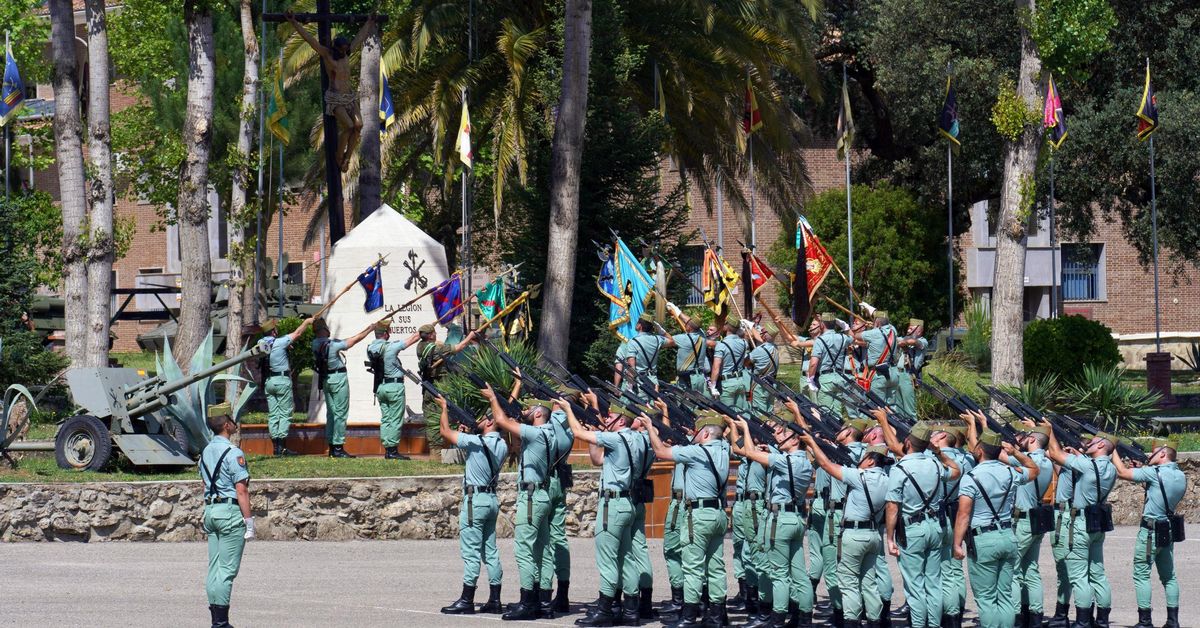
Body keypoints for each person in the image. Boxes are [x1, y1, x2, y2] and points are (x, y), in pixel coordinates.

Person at [562, 399, 646, 626]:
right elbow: (598, 459)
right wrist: (595, 432)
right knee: (626, 558)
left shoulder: (617, 438)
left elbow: (577, 432)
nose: (607, 419)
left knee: (607, 558)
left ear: (621, 420)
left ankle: (605, 609)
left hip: (613, 505)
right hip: (627, 502)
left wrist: (569, 409)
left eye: (611, 417)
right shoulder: (637, 438)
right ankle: (630, 612)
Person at [644, 411, 731, 627]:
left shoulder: (697, 452)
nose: (694, 434)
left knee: (692, 566)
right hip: (717, 512)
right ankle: (717, 616)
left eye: (697, 432)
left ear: (706, 434)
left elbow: (660, 451)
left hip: (698, 514)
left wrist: (649, 427)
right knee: (715, 566)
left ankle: (689, 617)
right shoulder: (724, 449)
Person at [732, 403, 815, 628]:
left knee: (779, 574)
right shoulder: (805, 463)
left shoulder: (786, 461)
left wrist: (746, 430)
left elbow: (749, 452)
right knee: (799, 573)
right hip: (796, 518)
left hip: (780, 520)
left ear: (795, 440)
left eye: (785, 436)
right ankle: (804, 619)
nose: (780, 439)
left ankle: (776, 620)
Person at [802, 432, 892, 628]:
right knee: (869, 582)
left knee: (849, 582)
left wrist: (812, 444)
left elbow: (826, 465)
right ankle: (875, 622)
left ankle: (851, 621)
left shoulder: (860, 477)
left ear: (870, 461)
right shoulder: (887, 480)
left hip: (854, 535)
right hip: (873, 534)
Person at [952, 430, 1040, 628]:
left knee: (986, 598)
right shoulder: (1010, 472)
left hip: (983, 538)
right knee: (1005, 595)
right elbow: (1034, 470)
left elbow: (963, 514)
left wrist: (957, 543)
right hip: (1008, 535)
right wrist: (1016, 454)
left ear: (981, 450)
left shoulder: (971, 477)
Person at [878, 418, 960, 628]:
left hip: (912, 529)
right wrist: (939, 452)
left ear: (908, 441)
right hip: (935, 526)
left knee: (915, 585)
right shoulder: (934, 463)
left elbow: (892, 507)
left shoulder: (900, 468)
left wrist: (889, 538)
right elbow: (956, 471)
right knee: (934, 582)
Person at [482, 387, 556, 621]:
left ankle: (527, 602)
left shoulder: (535, 433)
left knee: (524, 549)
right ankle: (543, 601)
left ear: (538, 414)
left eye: (528, 409)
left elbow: (501, 420)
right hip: (543, 494)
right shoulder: (550, 432)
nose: (524, 411)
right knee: (543, 550)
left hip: (532, 497)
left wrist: (493, 398)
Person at [437, 395, 509, 616]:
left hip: (474, 501)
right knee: (491, 550)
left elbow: (445, 433)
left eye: (483, 418)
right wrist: (468, 433)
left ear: (489, 422)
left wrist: (444, 409)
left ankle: (467, 599)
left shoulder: (476, 442)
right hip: (491, 500)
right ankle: (495, 599)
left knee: (470, 551)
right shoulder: (502, 444)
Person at [1045, 427, 1117, 628]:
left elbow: (1055, 454)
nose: (1089, 444)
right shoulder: (1111, 468)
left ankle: (1083, 621)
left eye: (1093, 442)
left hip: (1080, 523)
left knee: (1078, 576)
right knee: (1098, 573)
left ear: (1101, 444)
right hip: (1097, 523)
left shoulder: (1086, 466)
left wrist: (1050, 431)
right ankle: (1102, 621)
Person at [285, 12, 375, 171]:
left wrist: (369, 22)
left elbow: (359, 38)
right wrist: (294, 22)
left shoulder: (346, 54)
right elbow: (309, 39)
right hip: (335, 98)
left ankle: (347, 157)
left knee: (359, 125)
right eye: (342, 49)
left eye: (346, 48)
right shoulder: (327, 55)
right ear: (336, 48)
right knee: (348, 127)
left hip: (349, 97)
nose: (345, 51)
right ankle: (338, 156)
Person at [1113, 438, 1186, 628]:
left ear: (1162, 453)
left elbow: (1121, 472)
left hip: (1151, 530)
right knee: (1169, 576)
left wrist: (1112, 447)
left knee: (1141, 573)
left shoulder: (1154, 473)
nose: (1149, 455)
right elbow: (1159, 491)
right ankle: (1173, 620)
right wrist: (1142, 472)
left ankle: (1145, 620)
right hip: (1167, 528)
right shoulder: (1179, 475)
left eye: (1153, 452)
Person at [809, 418, 869, 627]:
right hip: (858, 515)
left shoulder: (845, 453)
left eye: (842, 429)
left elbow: (822, 461)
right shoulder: (867, 454)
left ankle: (840, 612)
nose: (838, 431)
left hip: (838, 515)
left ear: (849, 432)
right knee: (863, 572)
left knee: (833, 566)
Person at [200, 403, 253, 628]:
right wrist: (248, 521)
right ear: (228, 425)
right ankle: (221, 623)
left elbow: (203, 482)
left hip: (211, 510)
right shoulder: (233, 452)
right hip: (230, 512)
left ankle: (216, 619)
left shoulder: (205, 451)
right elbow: (241, 489)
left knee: (214, 567)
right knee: (227, 570)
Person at [1003, 423, 1055, 628]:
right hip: (1036, 518)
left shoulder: (1026, 460)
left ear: (1032, 440)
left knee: (1013, 570)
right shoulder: (1048, 462)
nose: (1022, 439)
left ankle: (1015, 615)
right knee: (1031, 569)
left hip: (1022, 519)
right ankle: (1034, 615)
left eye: (1027, 437)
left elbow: (993, 454)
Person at [729, 408, 772, 619]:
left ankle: (758, 601)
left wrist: (739, 428)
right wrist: (732, 425)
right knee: (743, 550)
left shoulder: (764, 452)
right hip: (742, 505)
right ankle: (748, 595)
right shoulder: (749, 450)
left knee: (754, 552)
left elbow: (742, 450)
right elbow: (735, 447)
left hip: (755, 506)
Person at [311, 317, 373, 458]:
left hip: (326, 379)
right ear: (325, 330)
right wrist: (370, 329)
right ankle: (338, 447)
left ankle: (332, 447)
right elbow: (354, 340)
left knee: (331, 413)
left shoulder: (314, 343)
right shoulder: (332, 345)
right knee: (340, 413)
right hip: (338, 379)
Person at [935, 422, 975, 628]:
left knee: (945, 569)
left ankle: (949, 614)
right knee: (956, 568)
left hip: (942, 514)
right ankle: (958, 609)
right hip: (959, 510)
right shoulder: (967, 459)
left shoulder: (937, 459)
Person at [256, 316, 314, 456]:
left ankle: (275, 448)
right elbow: (298, 333)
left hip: (269, 382)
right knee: (285, 413)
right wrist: (306, 322)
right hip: (281, 380)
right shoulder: (280, 342)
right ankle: (282, 447)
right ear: (274, 331)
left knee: (274, 414)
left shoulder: (261, 344)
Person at [417, 323, 479, 446]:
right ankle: (441, 447)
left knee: (431, 417)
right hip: (440, 387)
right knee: (445, 415)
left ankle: (434, 447)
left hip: (428, 387)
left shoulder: (420, 346)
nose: (436, 334)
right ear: (430, 335)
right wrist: (470, 336)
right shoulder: (436, 349)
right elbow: (459, 347)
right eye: (434, 332)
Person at [375, 325, 421, 460]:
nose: (389, 333)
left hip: (381, 387)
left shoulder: (371, 347)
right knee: (395, 419)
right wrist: (423, 330)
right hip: (394, 387)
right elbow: (413, 339)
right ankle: (393, 451)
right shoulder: (390, 347)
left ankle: (387, 449)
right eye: (388, 331)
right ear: (384, 333)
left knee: (386, 419)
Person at [854, 308, 900, 409]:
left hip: (879, 374)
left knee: (877, 406)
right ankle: (893, 424)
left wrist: (873, 327)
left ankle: (879, 425)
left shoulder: (873, 333)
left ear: (877, 322)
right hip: (893, 372)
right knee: (892, 407)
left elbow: (856, 335)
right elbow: (886, 324)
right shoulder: (893, 330)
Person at [808, 313, 851, 417]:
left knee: (825, 412)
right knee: (837, 412)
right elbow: (852, 337)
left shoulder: (820, 340)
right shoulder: (842, 337)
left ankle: (829, 432)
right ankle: (838, 431)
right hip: (840, 377)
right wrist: (845, 326)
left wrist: (810, 379)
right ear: (835, 324)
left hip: (826, 378)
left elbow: (813, 363)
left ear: (822, 325)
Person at [665, 303, 712, 392]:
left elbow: (669, 341)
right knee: (700, 404)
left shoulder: (683, 338)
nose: (685, 324)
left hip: (687, 379)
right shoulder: (702, 336)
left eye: (686, 324)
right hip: (700, 377)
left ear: (689, 327)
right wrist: (676, 310)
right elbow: (691, 322)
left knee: (687, 405)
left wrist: (662, 331)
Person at [711, 319, 751, 412]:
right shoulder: (744, 343)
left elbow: (716, 367)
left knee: (728, 415)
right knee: (740, 414)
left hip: (726, 383)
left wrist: (713, 386)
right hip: (740, 381)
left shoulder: (721, 345)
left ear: (727, 327)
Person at [895, 319, 927, 419]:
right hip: (897, 374)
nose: (908, 329)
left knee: (909, 410)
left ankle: (913, 431)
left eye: (911, 328)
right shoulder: (903, 339)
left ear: (919, 331)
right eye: (908, 327)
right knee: (898, 408)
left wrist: (902, 342)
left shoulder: (922, 341)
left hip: (908, 376)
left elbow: (912, 341)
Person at [747, 325, 780, 415]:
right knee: (769, 411)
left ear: (765, 335)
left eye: (763, 332)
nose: (761, 334)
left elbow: (746, 362)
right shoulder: (775, 348)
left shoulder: (759, 350)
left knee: (759, 413)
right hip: (771, 382)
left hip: (759, 384)